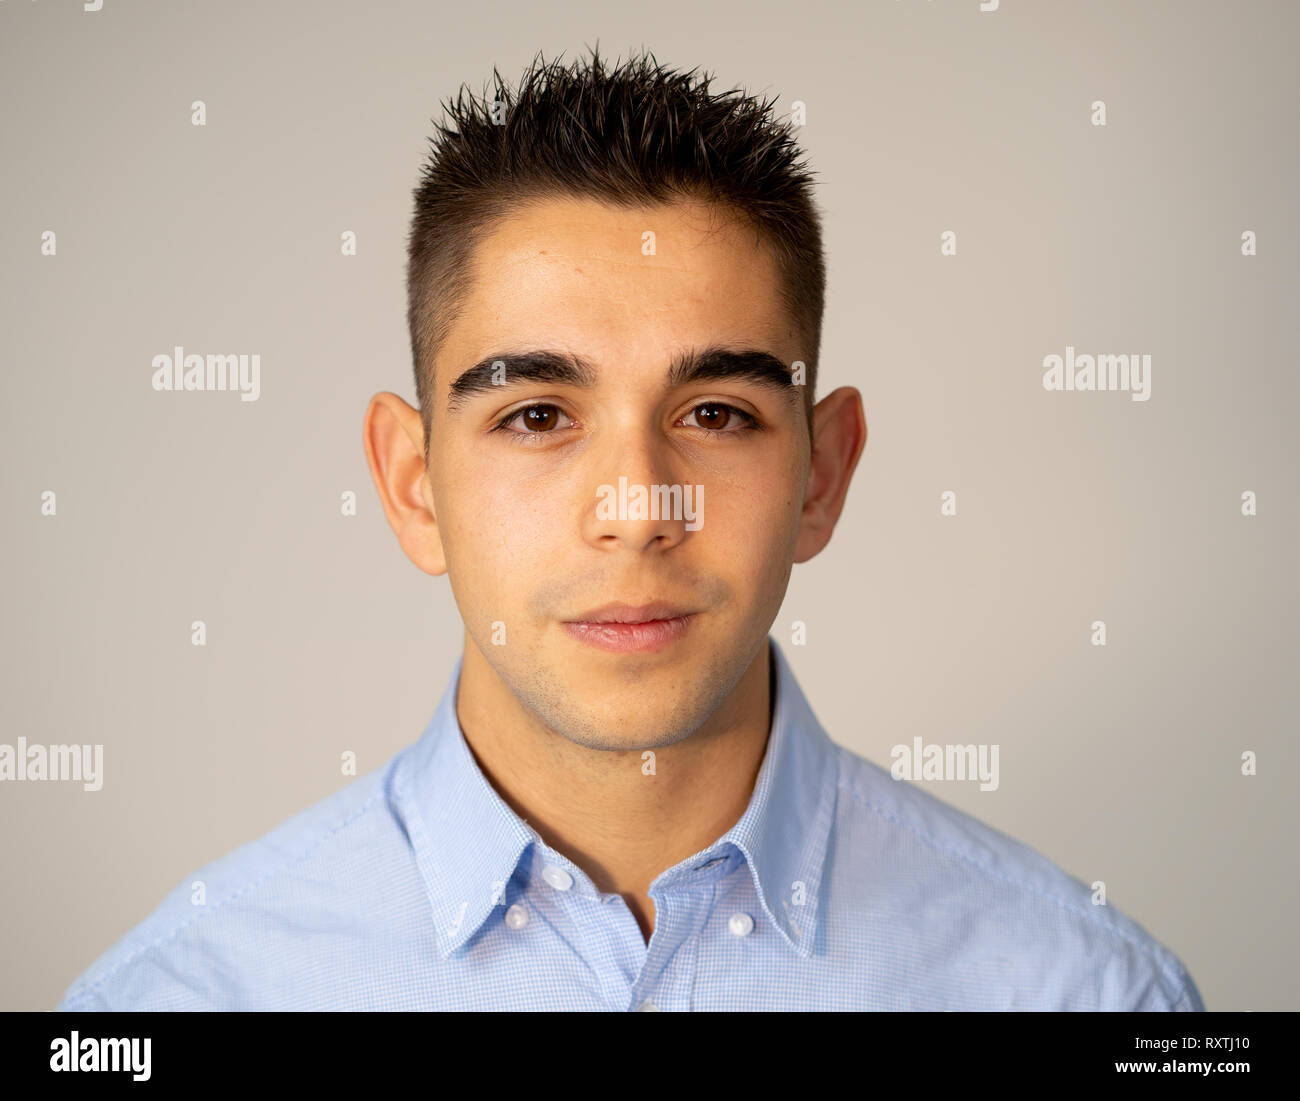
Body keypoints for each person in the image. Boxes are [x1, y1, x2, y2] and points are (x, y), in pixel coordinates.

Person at [57, 48, 1203, 1011]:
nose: (637, 509)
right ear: (414, 485)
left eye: (714, 413)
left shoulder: (1087, 995)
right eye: (538, 414)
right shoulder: (177, 1002)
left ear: (822, 472)